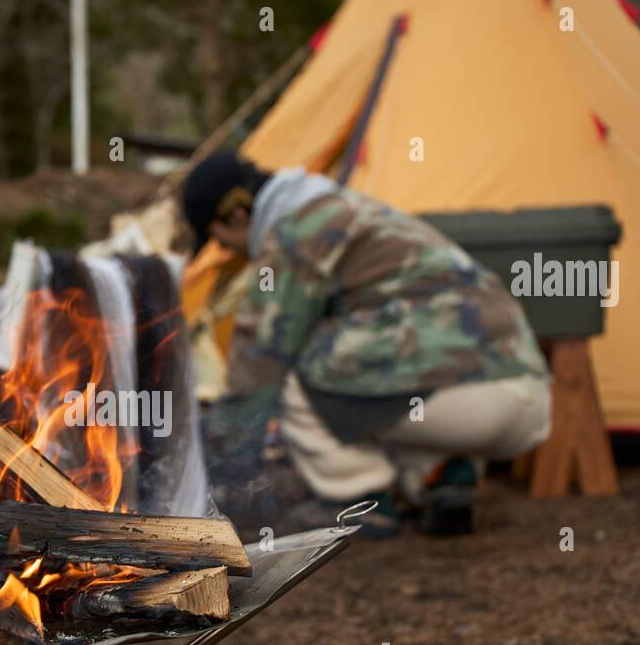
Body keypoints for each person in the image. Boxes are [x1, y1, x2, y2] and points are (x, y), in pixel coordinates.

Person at [183, 152, 551, 537]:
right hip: (528, 393)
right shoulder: (350, 207)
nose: (227, 251)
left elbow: (260, 357)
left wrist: (213, 461)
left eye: (218, 238)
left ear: (238, 214)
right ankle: (440, 476)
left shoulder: (295, 233)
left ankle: (360, 501)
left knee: (298, 362)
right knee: (369, 373)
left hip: (472, 400)